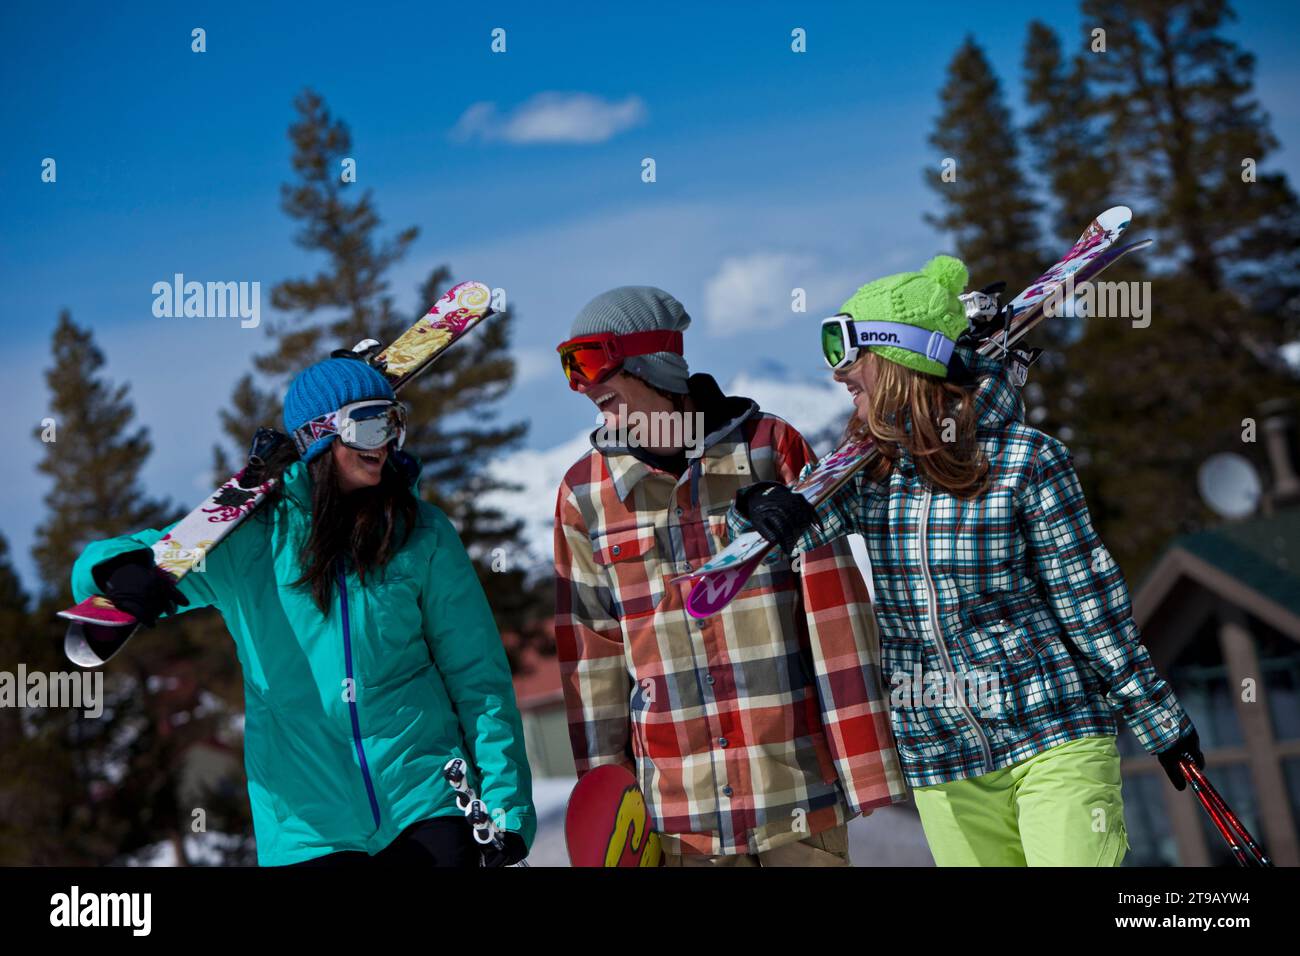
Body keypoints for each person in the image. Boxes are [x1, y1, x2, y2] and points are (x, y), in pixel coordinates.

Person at [731, 256, 1203, 867]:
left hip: (1051, 730)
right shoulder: (869, 471)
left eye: (854, 362)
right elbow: (795, 528)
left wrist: (1159, 720)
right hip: (940, 754)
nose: (842, 377)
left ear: (901, 361)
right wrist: (762, 506)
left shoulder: (1027, 461)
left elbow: (1091, 609)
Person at [70, 356, 534, 867]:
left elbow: (477, 676)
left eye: (394, 422)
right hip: (306, 827)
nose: (383, 442)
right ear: (319, 436)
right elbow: (142, 554)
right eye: (368, 424)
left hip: (425, 797)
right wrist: (117, 576)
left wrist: (507, 807)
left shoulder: (420, 532)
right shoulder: (249, 542)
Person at [553, 286, 906, 867]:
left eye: (612, 397)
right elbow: (592, 658)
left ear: (655, 371)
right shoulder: (584, 495)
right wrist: (609, 810)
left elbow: (833, 609)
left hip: (796, 795)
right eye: (597, 405)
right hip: (680, 822)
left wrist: (867, 767)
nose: (602, 412)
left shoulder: (771, 450)